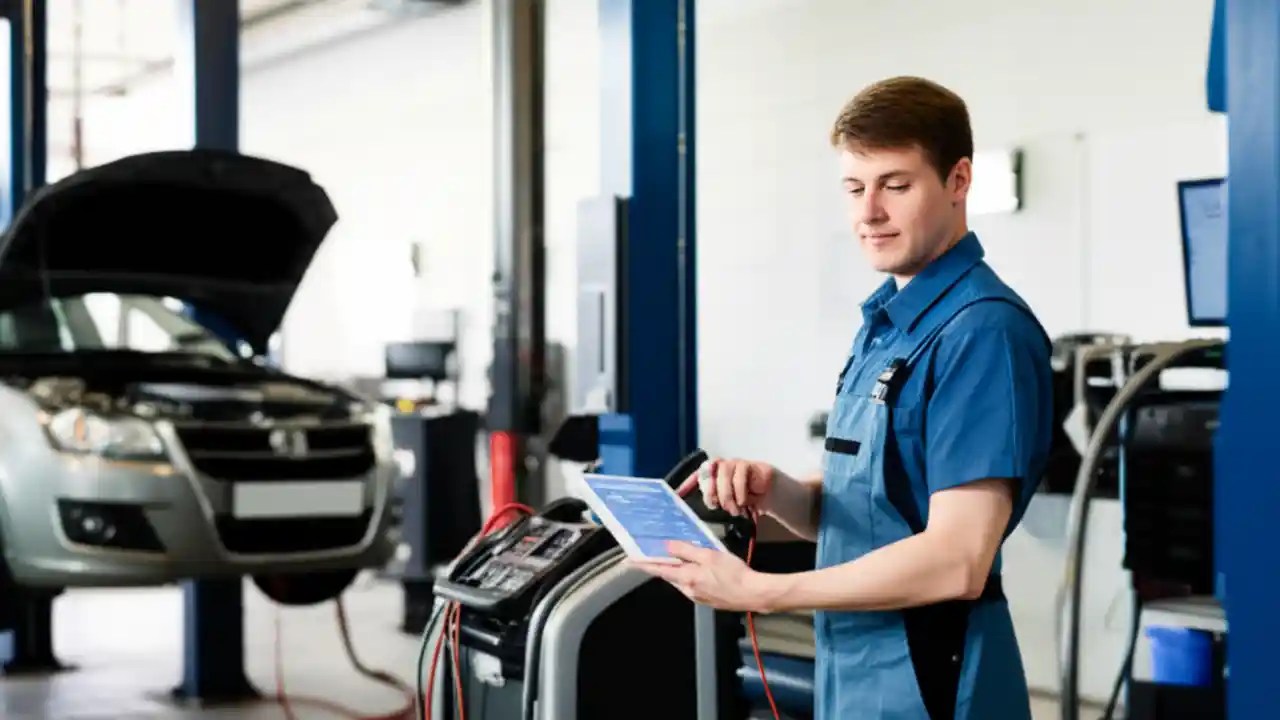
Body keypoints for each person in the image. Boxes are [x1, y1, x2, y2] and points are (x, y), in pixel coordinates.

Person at [636, 76, 1054, 720]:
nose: (869, 213)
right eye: (855, 189)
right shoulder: (889, 324)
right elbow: (880, 510)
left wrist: (762, 591)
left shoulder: (981, 330)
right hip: (856, 672)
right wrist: (780, 492)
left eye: (896, 184)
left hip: (932, 680)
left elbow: (957, 559)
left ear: (959, 180)